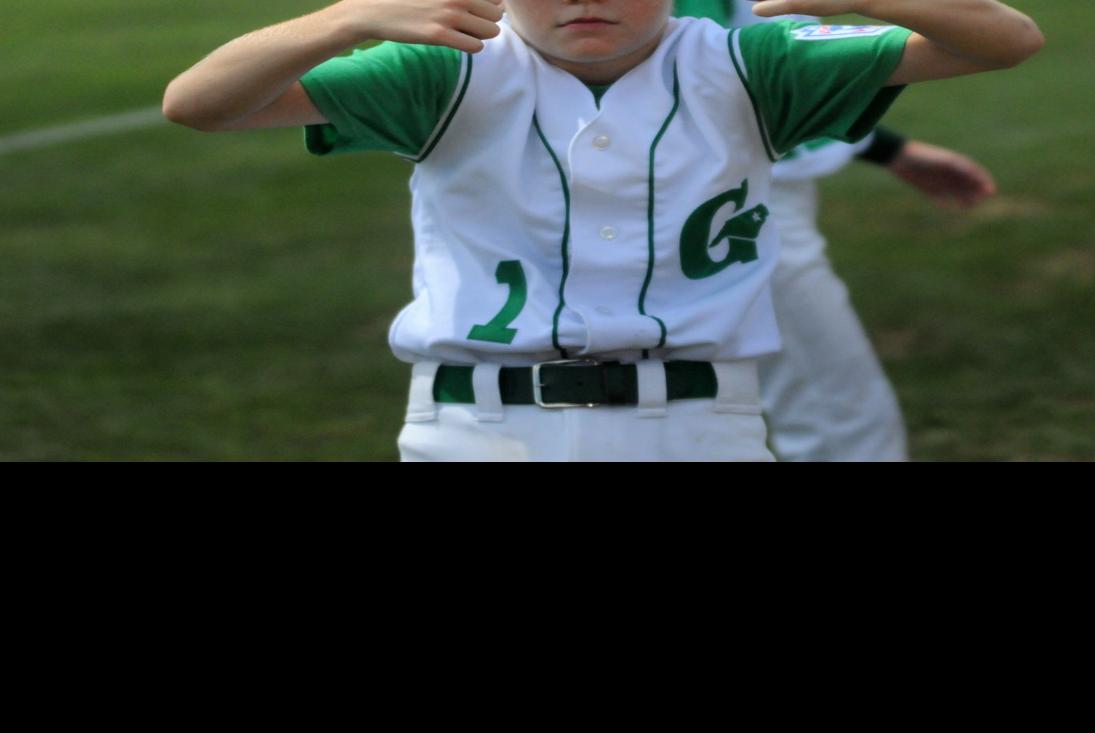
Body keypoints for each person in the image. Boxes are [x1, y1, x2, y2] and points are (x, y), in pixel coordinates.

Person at [162, 0, 1045, 462]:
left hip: (702, 422)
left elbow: (1005, 41)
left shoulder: (751, 61)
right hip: (477, 429)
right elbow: (198, 105)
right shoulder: (442, 69)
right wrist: (343, 20)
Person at [676, 0, 997, 462]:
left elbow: (762, 55)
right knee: (831, 408)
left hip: (745, 176)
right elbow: (694, 65)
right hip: (725, 193)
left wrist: (886, 148)